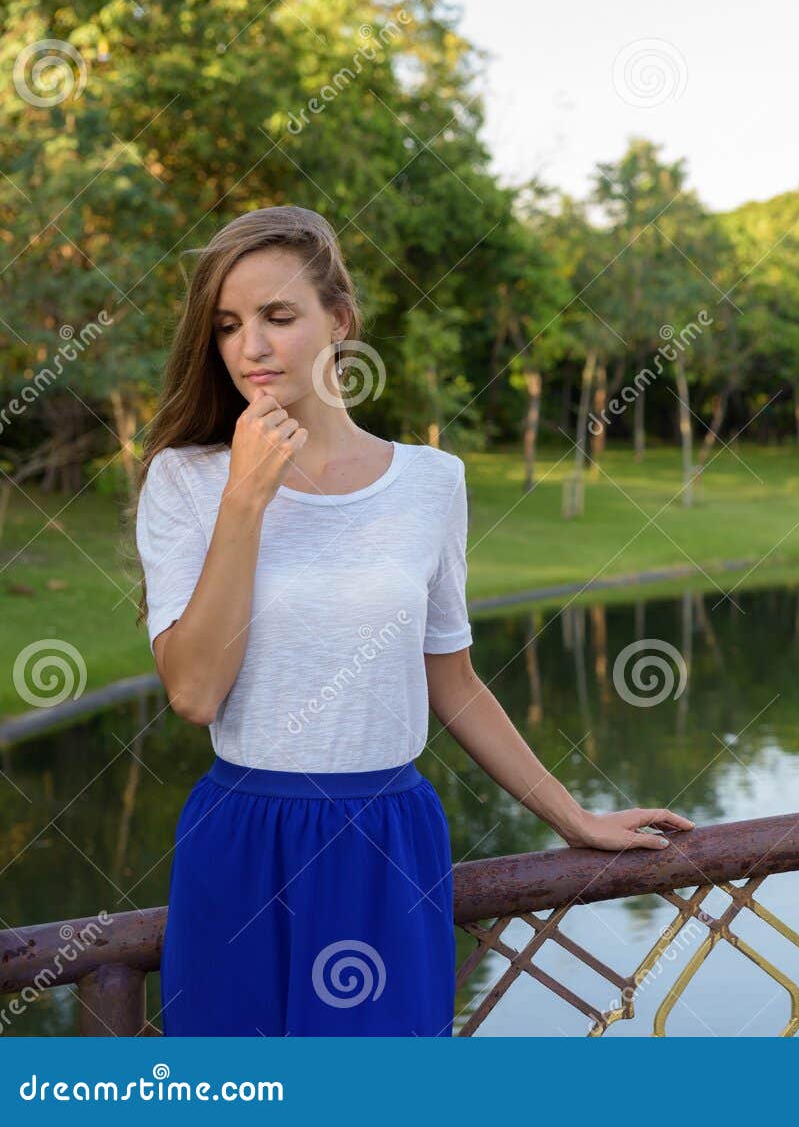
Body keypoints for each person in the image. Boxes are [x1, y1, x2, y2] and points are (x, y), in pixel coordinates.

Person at [134, 205, 693, 1036]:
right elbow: (195, 692)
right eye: (227, 325)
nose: (250, 346)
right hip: (242, 841)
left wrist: (572, 817)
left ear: (340, 321)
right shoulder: (185, 480)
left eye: (278, 317)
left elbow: (454, 681)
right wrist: (247, 496)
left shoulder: (430, 483)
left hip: (387, 844)